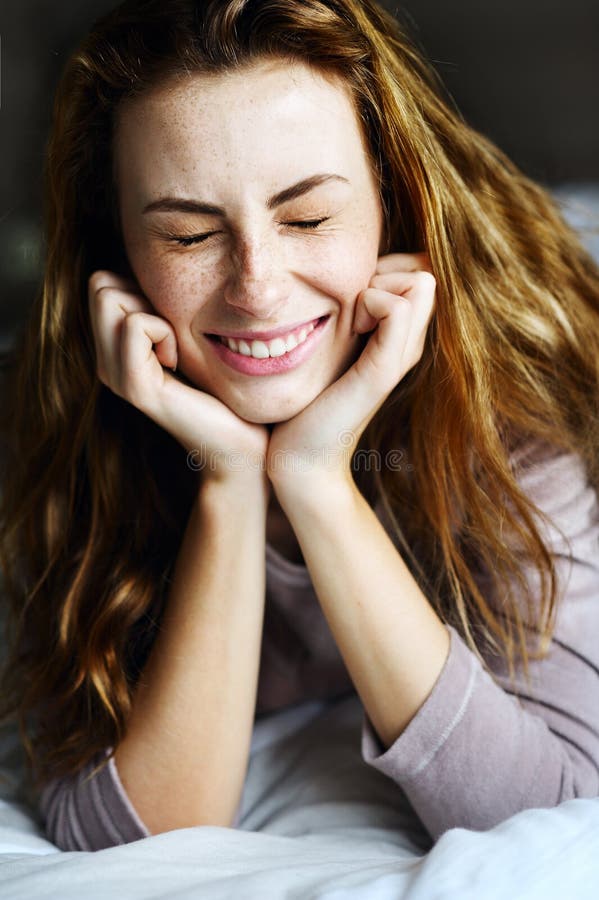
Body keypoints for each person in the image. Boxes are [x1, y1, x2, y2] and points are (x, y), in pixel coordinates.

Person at [1, 0, 598, 853]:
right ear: (118, 257)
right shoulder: (66, 420)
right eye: (187, 233)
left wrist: (317, 480)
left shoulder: (510, 396)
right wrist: (230, 479)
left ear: (393, 201)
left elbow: (559, 811)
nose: (257, 287)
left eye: (309, 218)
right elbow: (127, 841)